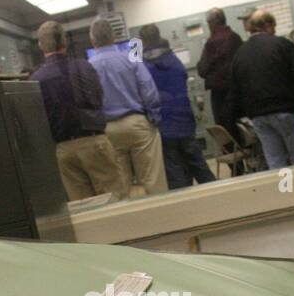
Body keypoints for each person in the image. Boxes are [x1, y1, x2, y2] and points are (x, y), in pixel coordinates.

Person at [31, 21, 127, 202]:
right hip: (93, 141)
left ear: (41, 46)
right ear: (65, 42)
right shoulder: (84, 67)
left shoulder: (36, 79)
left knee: (84, 208)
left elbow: (38, 119)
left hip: (63, 149)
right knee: (115, 199)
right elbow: (98, 99)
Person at [226, 9, 294, 169]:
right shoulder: (281, 44)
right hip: (285, 110)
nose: (274, 31)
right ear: (267, 25)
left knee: (276, 161)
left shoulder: (240, 53)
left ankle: (285, 191)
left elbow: (235, 87)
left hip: (259, 117)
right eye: (273, 26)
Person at [89, 18, 167, 196]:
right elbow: (149, 91)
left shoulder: (89, 67)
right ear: (114, 37)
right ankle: (165, 219)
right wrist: (153, 118)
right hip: (137, 123)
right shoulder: (131, 58)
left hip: (108, 130)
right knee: (153, 181)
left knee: (119, 186)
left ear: (92, 41)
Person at [138, 24, 216, 190]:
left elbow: (142, 91)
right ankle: (217, 196)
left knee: (174, 170)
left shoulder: (143, 66)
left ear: (143, 42)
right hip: (184, 118)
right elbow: (182, 78)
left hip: (163, 123)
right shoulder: (173, 59)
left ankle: (185, 205)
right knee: (198, 164)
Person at [196, 7, 243, 133]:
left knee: (227, 132)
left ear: (211, 23)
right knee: (243, 130)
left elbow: (202, 70)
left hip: (221, 95)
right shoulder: (236, 38)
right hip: (240, 91)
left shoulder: (211, 43)